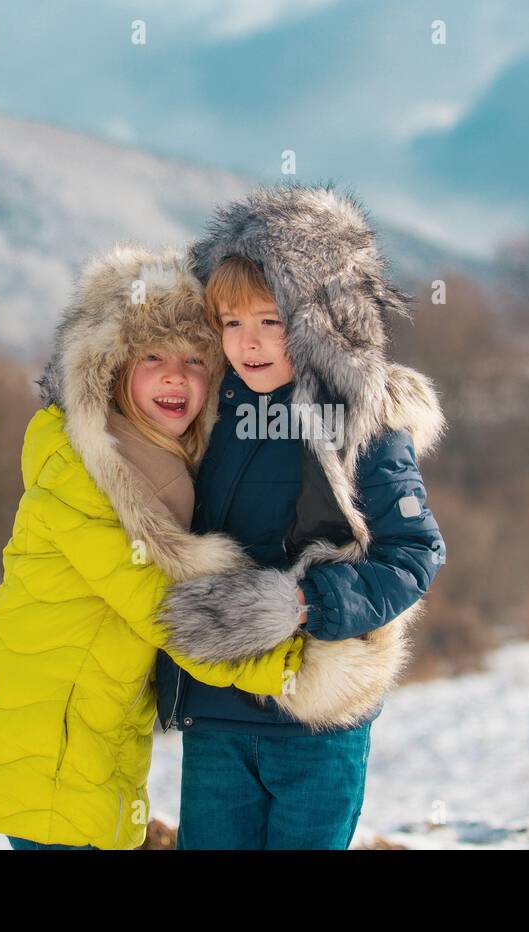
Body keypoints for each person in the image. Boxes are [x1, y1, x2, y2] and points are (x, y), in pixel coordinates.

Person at [0, 245, 306, 849]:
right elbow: (160, 603)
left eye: (195, 360)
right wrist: (295, 669)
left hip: (87, 733)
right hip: (44, 746)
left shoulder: (166, 461)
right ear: (109, 370)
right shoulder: (82, 471)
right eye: (152, 356)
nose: (174, 375)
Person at [155, 184, 449, 849]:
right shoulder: (206, 419)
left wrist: (302, 603)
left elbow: (412, 555)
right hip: (216, 711)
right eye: (231, 323)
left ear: (323, 325)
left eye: (272, 321)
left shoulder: (364, 426)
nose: (248, 343)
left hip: (316, 718)